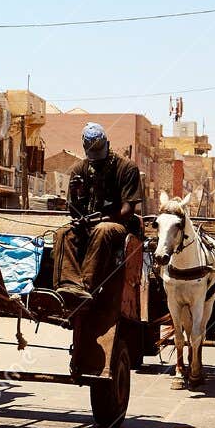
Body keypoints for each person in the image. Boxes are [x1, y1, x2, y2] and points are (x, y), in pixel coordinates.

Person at [54, 122, 143, 300]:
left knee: (102, 230)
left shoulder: (127, 168)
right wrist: (74, 192)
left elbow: (127, 211)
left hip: (118, 226)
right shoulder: (80, 169)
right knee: (63, 233)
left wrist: (100, 219)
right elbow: (74, 213)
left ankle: (86, 286)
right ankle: (68, 285)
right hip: (89, 226)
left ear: (107, 144)